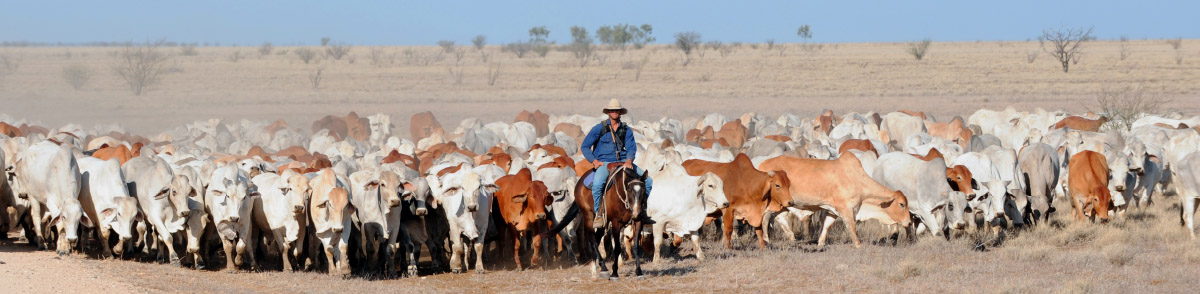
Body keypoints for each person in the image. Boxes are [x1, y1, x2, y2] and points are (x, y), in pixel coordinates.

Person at [580, 98, 652, 228]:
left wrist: (629, 160)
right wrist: (594, 161)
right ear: (608, 112)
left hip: (623, 162)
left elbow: (631, 148)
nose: (614, 112)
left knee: (648, 181)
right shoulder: (599, 128)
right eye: (612, 110)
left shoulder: (626, 130)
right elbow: (585, 146)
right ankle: (599, 213)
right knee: (597, 184)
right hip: (605, 163)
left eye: (617, 110)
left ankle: (642, 210)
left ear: (620, 113)